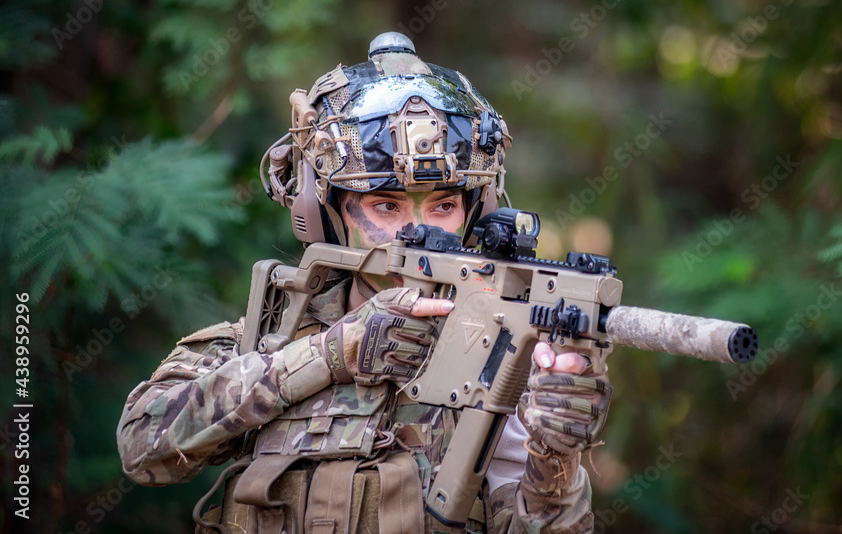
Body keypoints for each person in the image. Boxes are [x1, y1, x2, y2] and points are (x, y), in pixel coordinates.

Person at [117, 33, 613, 534]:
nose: (418, 232)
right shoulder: (272, 338)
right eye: (386, 205)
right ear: (324, 212)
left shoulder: (501, 362)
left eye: (444, 205)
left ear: (475, 212)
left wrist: (555, 458)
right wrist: (334, 354)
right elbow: (144, 448)